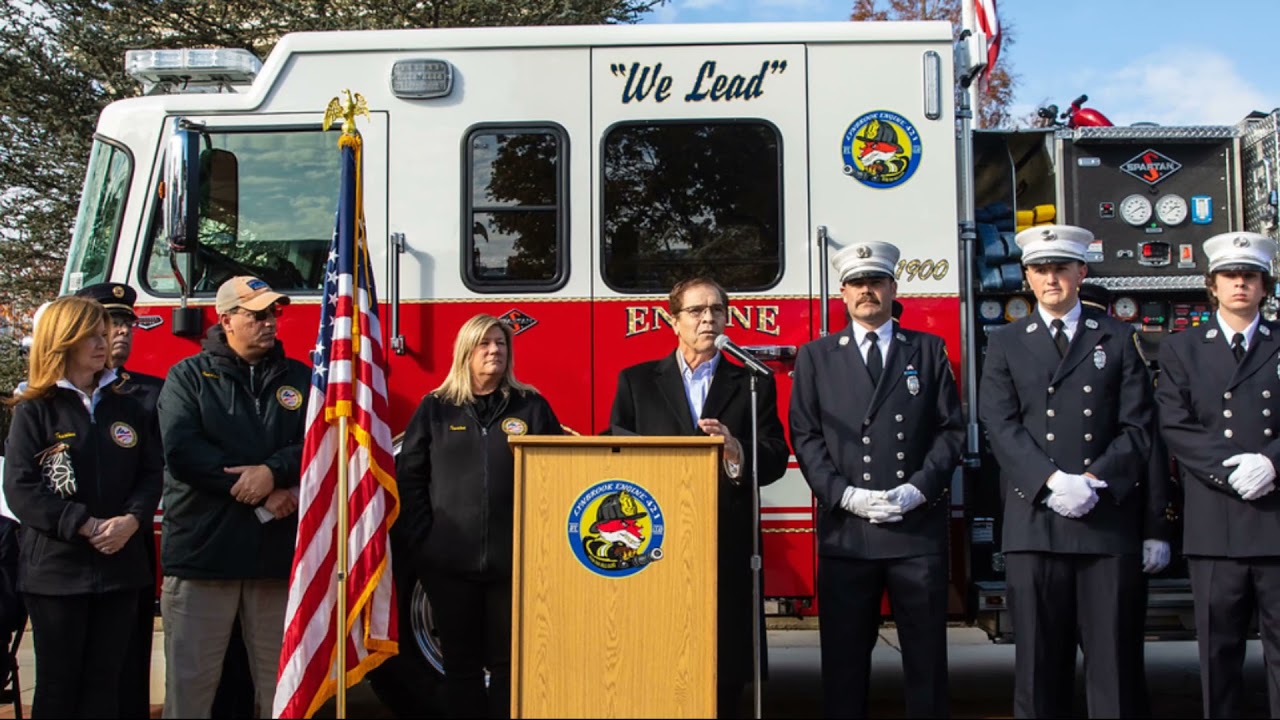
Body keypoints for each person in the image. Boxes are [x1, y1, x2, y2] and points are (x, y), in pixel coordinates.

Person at [978, 225, 1153, 718]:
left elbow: (1138, 426)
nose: (1051, 279)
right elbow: (998, 421)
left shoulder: (1118, 338)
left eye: (1061, 268)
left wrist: (1092, 483)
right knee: (1037, 669)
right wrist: (1051, 482)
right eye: (1040, 270)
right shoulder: (1007, 341)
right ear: (1027, 278)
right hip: (1035, 522)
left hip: (1103, 521)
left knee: (1114, 668)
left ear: (1081, 272)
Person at [789, 241, 963, 718]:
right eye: (858, 283)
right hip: (847, 533)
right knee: (843, 663)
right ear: (842, 293)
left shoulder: (927, 350)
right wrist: (844, 494)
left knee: (926, 661)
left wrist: (918, 489)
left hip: (915, 530)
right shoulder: (816, 356)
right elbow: (804, 436)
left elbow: (950, 431)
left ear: (893, 288)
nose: (868, 291)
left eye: (877, 281)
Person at [608, 277, 789, 718]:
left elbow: (776, 455)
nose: (708, 318)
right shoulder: (637, 382)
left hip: (725, 537)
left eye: (717, 310)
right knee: (656, 655)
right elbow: (614, 451)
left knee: (723, 662)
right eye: (696, 311)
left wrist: (736, 450)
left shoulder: (752, 382)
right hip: (654, 539)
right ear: (673, 321)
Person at [156, 276, 310, 718]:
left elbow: (319, 442)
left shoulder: (300, 378)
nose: (269, 323)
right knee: (191, 692)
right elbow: (184, 452)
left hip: (273, 562)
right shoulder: (186, 377)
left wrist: (274, 471)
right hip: (205, 559)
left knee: (281, 691)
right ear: (226, 320)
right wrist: (260, 491)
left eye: (273, 314)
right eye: (257, 314)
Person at [2, 295, 163, 718]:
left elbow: (151, 473)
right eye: (90, 334)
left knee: (105, 686)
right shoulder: (35, 409)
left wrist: (132, 520)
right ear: (62, 340)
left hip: (121, 569)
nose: (102, 342)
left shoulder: (128, 405)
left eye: (103, 333)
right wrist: (82, 525)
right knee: (59, 687)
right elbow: (21, 487)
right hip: (57, 573)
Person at [396, 314, 563, 719]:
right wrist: (426, 543)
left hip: (515, 564)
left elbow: (560, 474)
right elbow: (410, 477)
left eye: (501, 344)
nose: (495, 351)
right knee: (461, 666)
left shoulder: (531, 406)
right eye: (485, 344)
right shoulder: (435, 408)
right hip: (448, 565)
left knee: (510, 666)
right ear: (465, 353)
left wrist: (540, 544)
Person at [1154, 231, 1280, 719]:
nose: (1240, 284)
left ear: (1264, 287)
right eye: (1230, 276)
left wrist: (1270, 462)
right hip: (1214, 522)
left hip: (1274, 518)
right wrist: (1231, 473)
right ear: (1213, 286)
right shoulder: (1183, 348)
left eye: (1250, 277)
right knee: (1218, 652)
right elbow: (1176, 425)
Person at [1078, 281, 1173, 718]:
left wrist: (1155, 528)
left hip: (1118, 522)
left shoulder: (1122, 357)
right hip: (1061, 528)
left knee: (1119, 654)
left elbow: (1150, 455)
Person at [74, 281, 166, 718]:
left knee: (130, 661)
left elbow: (160, 469)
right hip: (70, 548)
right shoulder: (50, 396)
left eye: (127, 321)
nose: (122, 331)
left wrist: (131, 519)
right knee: (72, 672)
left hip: (131, 544)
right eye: (111, 322)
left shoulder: (151, 393)